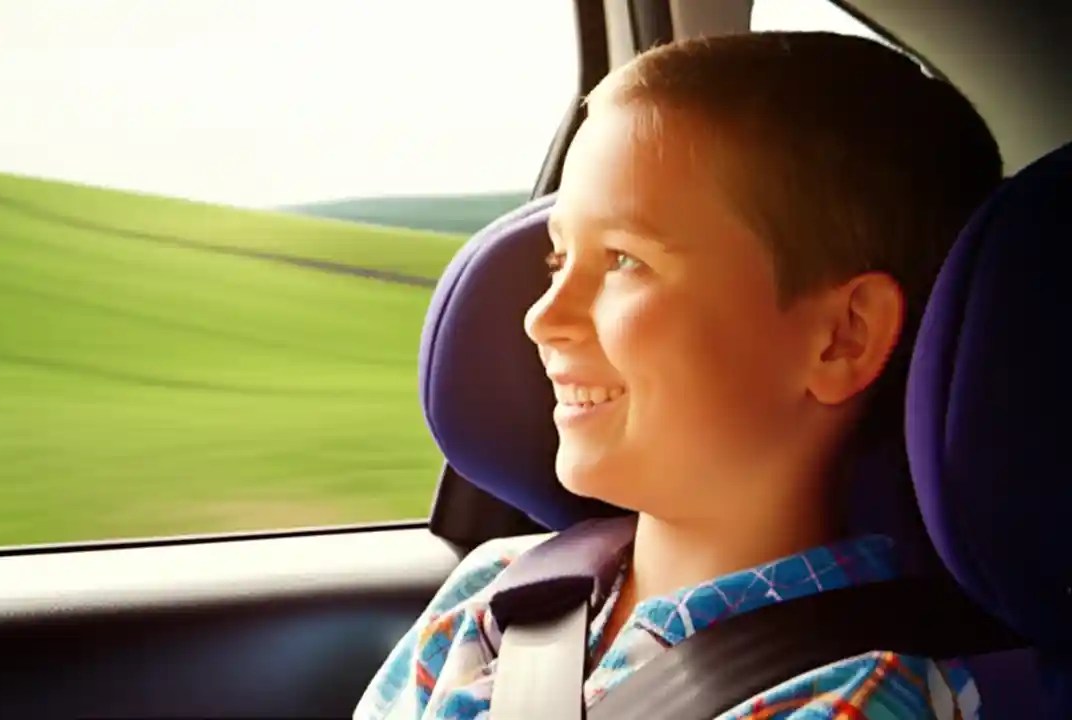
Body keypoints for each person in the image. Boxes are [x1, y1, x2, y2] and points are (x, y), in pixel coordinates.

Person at [355, 31, 1001, 719]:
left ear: (841, 337)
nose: (542, 318)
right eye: (557, 259)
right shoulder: (502, 595)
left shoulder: (849, 699)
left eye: (625, 260)